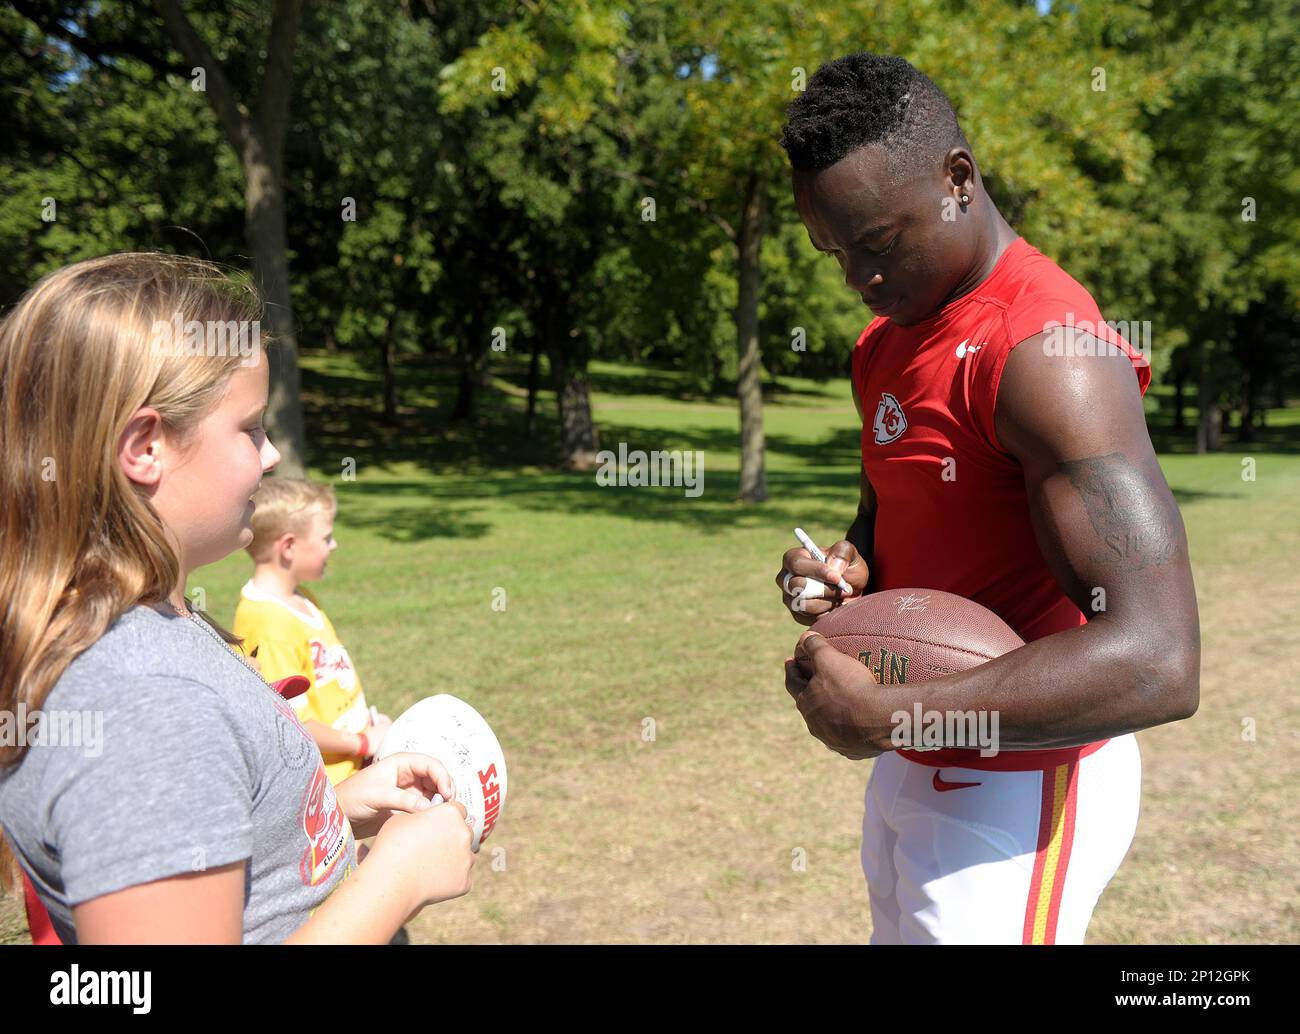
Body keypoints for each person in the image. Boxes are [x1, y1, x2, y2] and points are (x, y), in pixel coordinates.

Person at [774, 53, 1200, 944]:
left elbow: (1160, 658)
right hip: (913, 766)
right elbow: (886, 523)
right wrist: (843, 572)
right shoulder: (885, 343)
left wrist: (890, 713)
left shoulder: (1052, 358)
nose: (857, 278)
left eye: (878, 244)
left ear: (958, 179)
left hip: (1025, 785)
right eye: (836, 251)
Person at [0, 253, 475, 943]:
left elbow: (220, 869)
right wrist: (395, 877)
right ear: (145, 447)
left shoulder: (156, 622)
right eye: (250, 428)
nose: (273, 455)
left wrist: (329, 812)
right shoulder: (142, 698)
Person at [233, 477, 391, 788]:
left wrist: (369, 728)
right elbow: (295, 724)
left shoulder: (301, 598)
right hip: (328, 789)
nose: (334, 545)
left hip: (352, 769)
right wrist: (362, 741)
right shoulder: (268, 622)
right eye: (326, 537)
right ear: (289, 546)